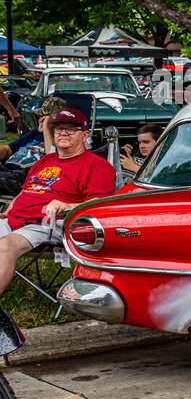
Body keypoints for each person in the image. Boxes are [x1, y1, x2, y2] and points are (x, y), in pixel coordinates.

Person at [0, 105, 116, 296]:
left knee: (5, 246)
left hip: (47, 225)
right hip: (14, 220)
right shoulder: (46, 160)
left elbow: (99, 207)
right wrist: (9, 208)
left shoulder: (97, 166)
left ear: (85, 135)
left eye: (70, 128)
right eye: (59, 128)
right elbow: (27, 190)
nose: (63, 133)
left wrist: (68, 206)